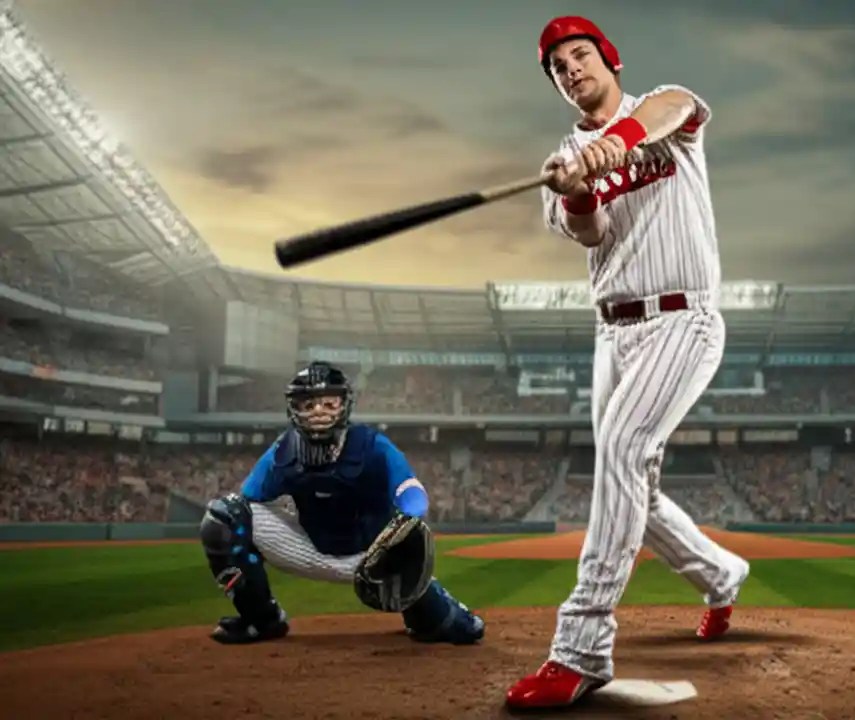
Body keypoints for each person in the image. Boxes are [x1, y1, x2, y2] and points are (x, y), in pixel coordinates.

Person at [504, 16, 751, 710]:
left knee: (620, 449)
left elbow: (679, 107)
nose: (572, 70)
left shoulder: (661, 111)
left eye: (581, 55)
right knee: (637, 483)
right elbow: (590, 232)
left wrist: (618, 142)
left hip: (683, 318)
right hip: (613, 332)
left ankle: (580, 647)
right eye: (558, 67)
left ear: (608, 59)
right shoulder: (560, 160)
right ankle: (721, 576)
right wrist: (576, 188)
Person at [198, 361, 485, 645]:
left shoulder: (372, 445)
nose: (318, 411)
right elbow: (247, 503)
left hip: (377, 557)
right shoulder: (283, 451)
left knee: (464, 631)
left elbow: (410, 489)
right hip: (307, 549)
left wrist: (409, 518)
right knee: (224, 518)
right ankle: (261, 618)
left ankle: (425, 610)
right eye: (309, 404)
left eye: (328, 403)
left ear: (344, 405)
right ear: (293, 409)